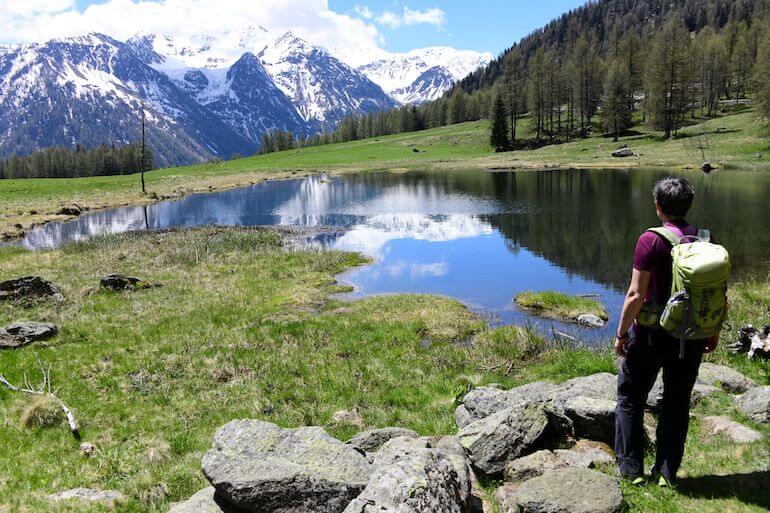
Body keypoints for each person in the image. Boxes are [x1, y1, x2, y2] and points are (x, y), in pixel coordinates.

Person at [613, 176, 720, 486]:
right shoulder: (703, 240)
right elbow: (714, 292)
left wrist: (621, 334)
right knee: (676, 402)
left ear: (658, 206)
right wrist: (711, 330)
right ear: (688, 206)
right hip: (692, 335)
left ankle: (631, 471)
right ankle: (666, 472)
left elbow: (635, 295)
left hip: (651, 334)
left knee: (631, 397)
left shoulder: (650, 240)